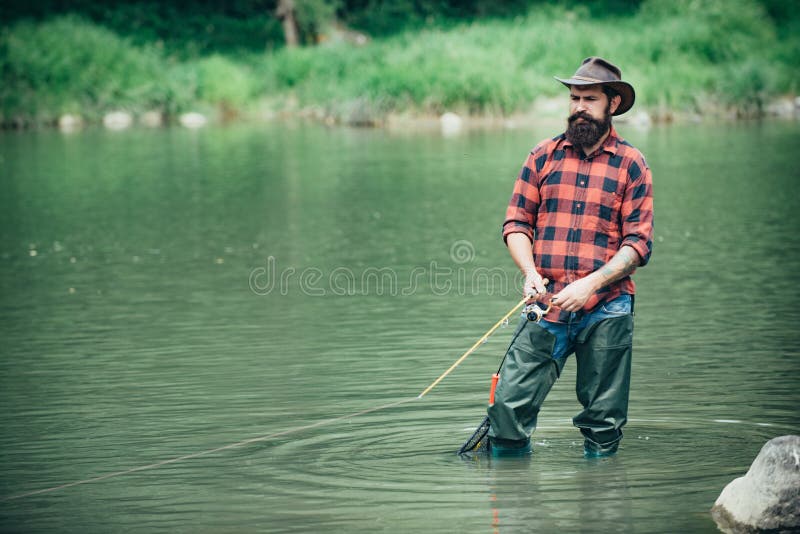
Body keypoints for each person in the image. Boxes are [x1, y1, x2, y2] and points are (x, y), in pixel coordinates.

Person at [486, 57, 654, 458]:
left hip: (608, 309)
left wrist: (591, 284)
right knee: (507, 411)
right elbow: (516, 224)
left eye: (589, 98)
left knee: (603, 422)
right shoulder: (542, 156)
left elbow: (638, 245)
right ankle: (512, 499)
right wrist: (529, 273)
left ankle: (600, 496)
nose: (578, 106)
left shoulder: (632, 164)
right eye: (574, 97)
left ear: (612, 104)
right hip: (545, 306)